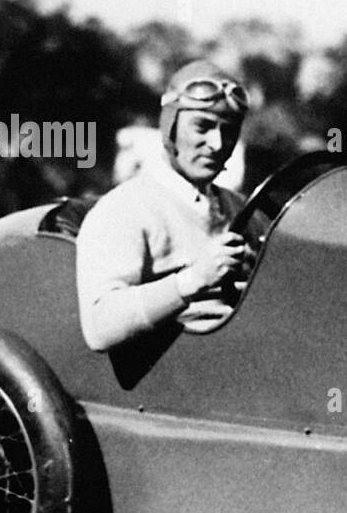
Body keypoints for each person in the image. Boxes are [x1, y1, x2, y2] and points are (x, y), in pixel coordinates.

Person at [76, 60, 253, 352]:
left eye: (230, 131)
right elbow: (100, 328)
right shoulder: (124, 209)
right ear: (170, 127)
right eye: (203, 126)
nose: (218, 143)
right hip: (185, 377)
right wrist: (192, 280)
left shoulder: (239, 206)